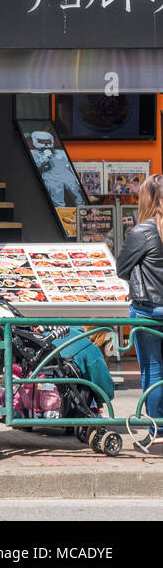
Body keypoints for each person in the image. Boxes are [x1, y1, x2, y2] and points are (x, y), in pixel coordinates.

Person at [117, 174, 163, 448]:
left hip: (148, 311)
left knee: (153, 371)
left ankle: (157, 431)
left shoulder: (142, 232)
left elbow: (122, 268)